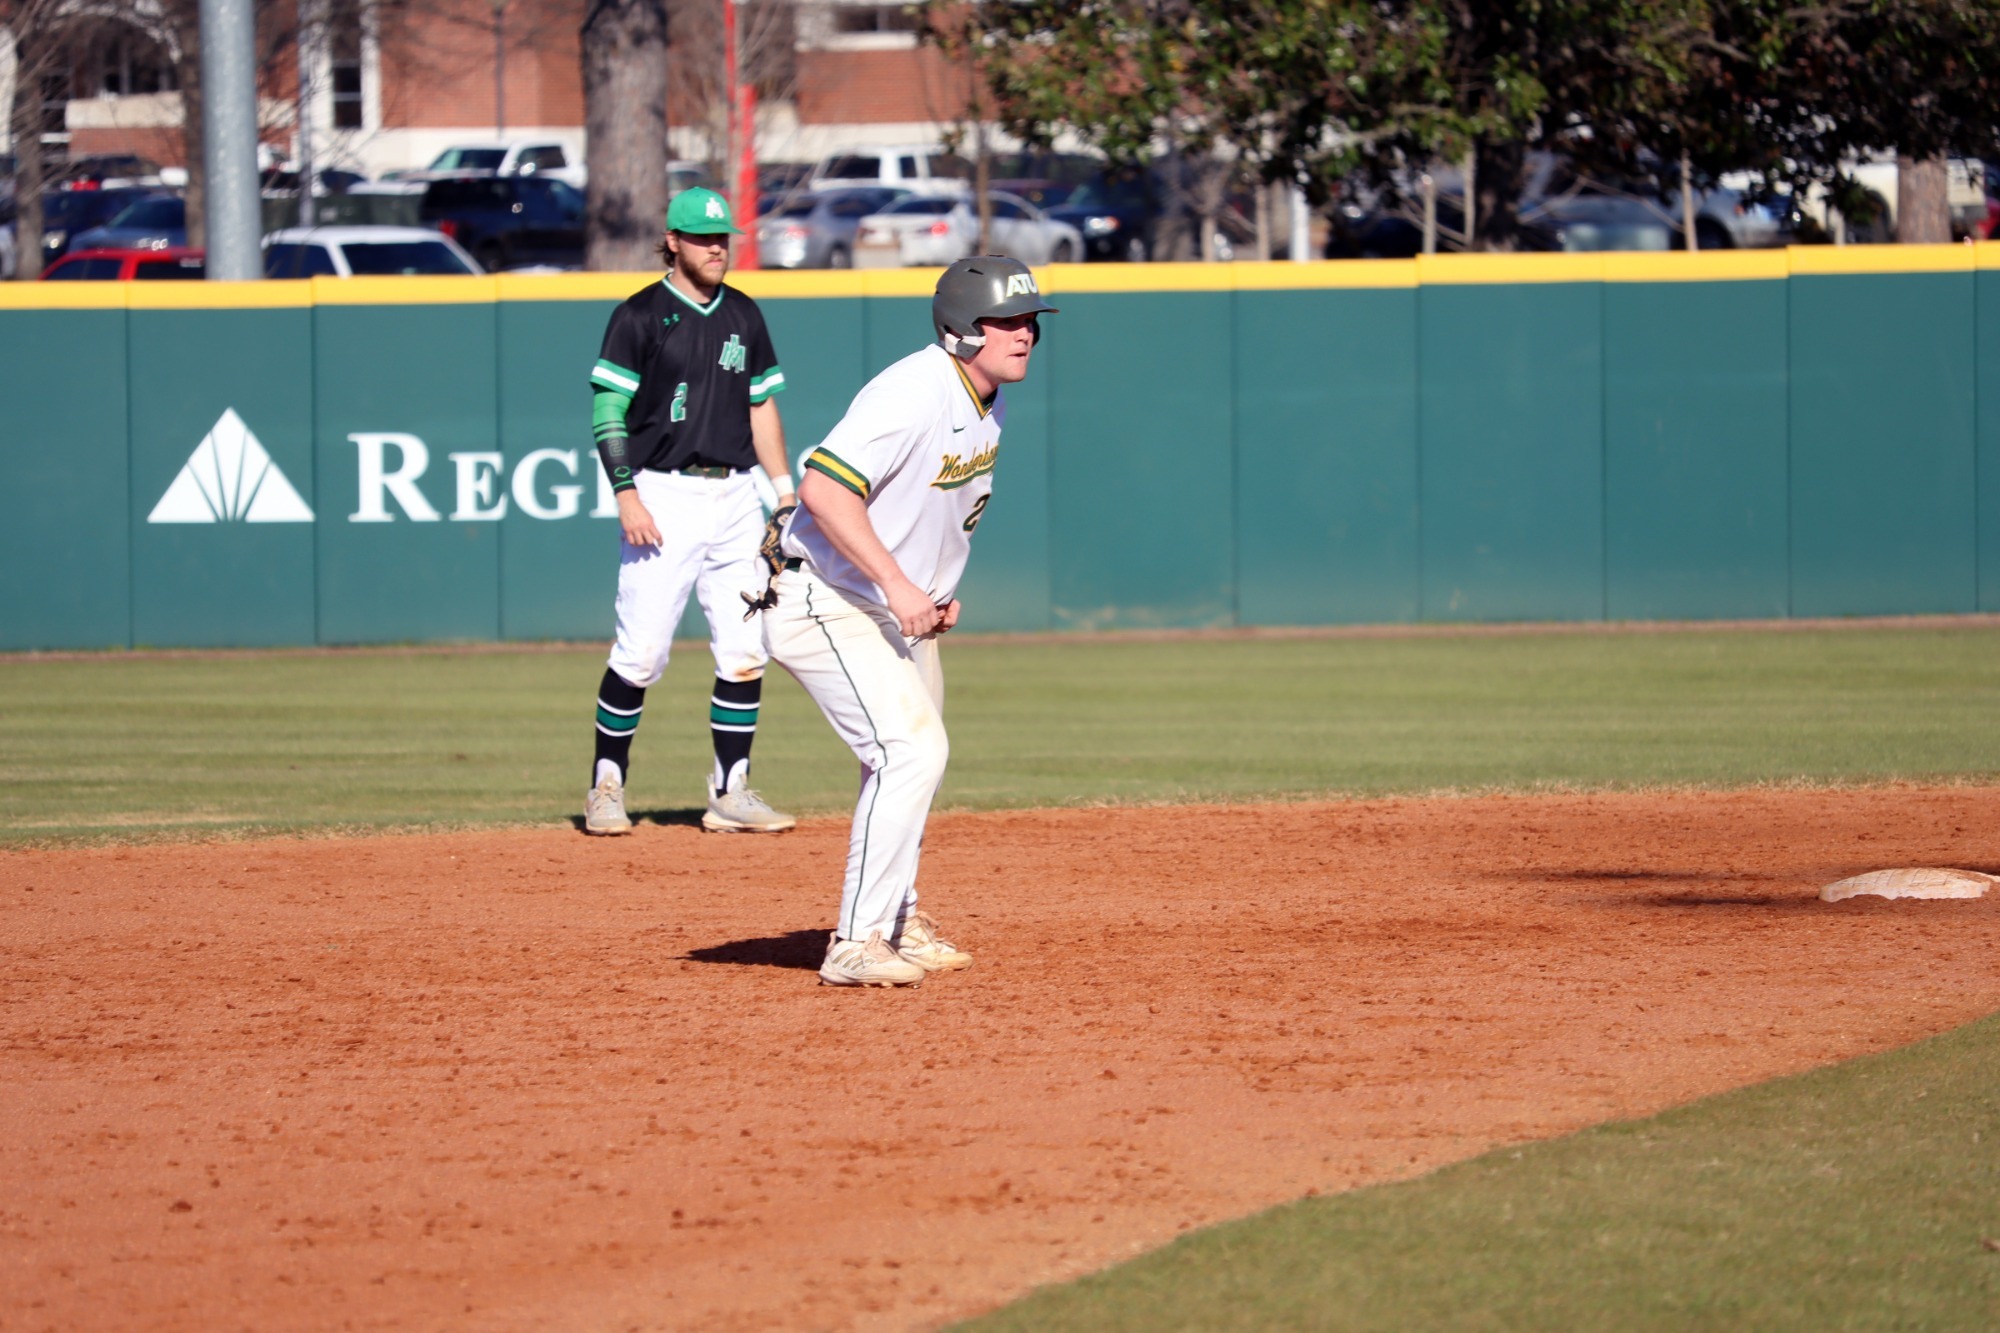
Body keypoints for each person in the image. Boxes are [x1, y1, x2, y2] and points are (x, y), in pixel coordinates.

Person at [762, 255, 1058, 986]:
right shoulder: (913, 392)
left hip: (891, 611)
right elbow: (822, 490)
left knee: (905, 765)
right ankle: (856, 942)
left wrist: (927, 590)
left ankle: (896, 919)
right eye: (1008, 321)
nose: (1025, 335)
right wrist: (897, 584)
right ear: (962, 329)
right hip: (823, 598)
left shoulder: (986, 399)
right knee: (912, 751)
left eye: (1030, 323)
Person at [583, 187, 798, 836]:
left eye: (723, 237)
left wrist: (782, 490)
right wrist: (625, 492)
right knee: (642, 653)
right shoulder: (640, 315)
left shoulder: (745, 315)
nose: (716, 247)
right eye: (702, 238)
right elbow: (606, 409)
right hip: (662, 491)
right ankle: (606, 786)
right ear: (672, 242)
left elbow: (761, 406)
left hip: (734, 495)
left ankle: (730, 791)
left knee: (745, 649)